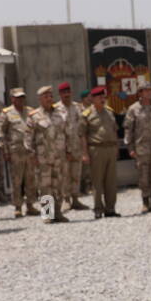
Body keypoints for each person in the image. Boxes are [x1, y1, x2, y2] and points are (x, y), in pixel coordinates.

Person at [26, 85, 70, 223]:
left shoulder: (60, 113)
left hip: (59, 157)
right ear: (40, 99)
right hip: (42, 158)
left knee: (58, 185)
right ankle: (47, 214)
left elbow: (66, 133)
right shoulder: (34, 116)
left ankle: (58, 213)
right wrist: (32, 155)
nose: (49, 99)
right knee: (45, 186)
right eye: (45, 96)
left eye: (51, 96)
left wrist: (68, 150)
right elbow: (28, 138)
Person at [125, 82, 151, 212]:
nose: (149, 93)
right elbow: (128, 130)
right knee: (143, 176)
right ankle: (145, 202)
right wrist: (130, 148)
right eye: (146, 91)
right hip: (141, 149)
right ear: (140, 93)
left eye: (150, 91)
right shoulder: (133, 109)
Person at [81, 86, 121, 217]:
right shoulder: (87, 114)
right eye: (99, 97)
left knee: (111, 181)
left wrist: (116, 147)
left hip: (110, 148)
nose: (102, 100)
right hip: (96, 149)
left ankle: (110, 209)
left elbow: (115, 130)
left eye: (104, 97)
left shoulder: (109, 112)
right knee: (97, 181)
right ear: (92, 99)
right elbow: (83, 135)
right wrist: (85, 153)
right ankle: (98, 208)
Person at [0, 88, 38, 217]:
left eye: (22, 97)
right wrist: (5, 150)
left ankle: (31, 205)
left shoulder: (30, 111)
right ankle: (17, 206)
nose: (21, 100)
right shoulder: (6, 113)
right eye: (18, 97)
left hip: (30, 151)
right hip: (15, 151)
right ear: (12, 99)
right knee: (17, 180)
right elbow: (1, 133)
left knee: (31, 179)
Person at [58, 82, 88, 211]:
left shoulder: (78, 107)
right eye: (63, 92)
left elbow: (82, 129)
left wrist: (84, 150)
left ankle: (75, 199)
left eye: (68, 91)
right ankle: (65, 200)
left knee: (76, 174)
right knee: (65, 175)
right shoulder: (56, 109)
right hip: (62, 149)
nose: (66, 94)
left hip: (76, 147)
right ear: (60, 94)